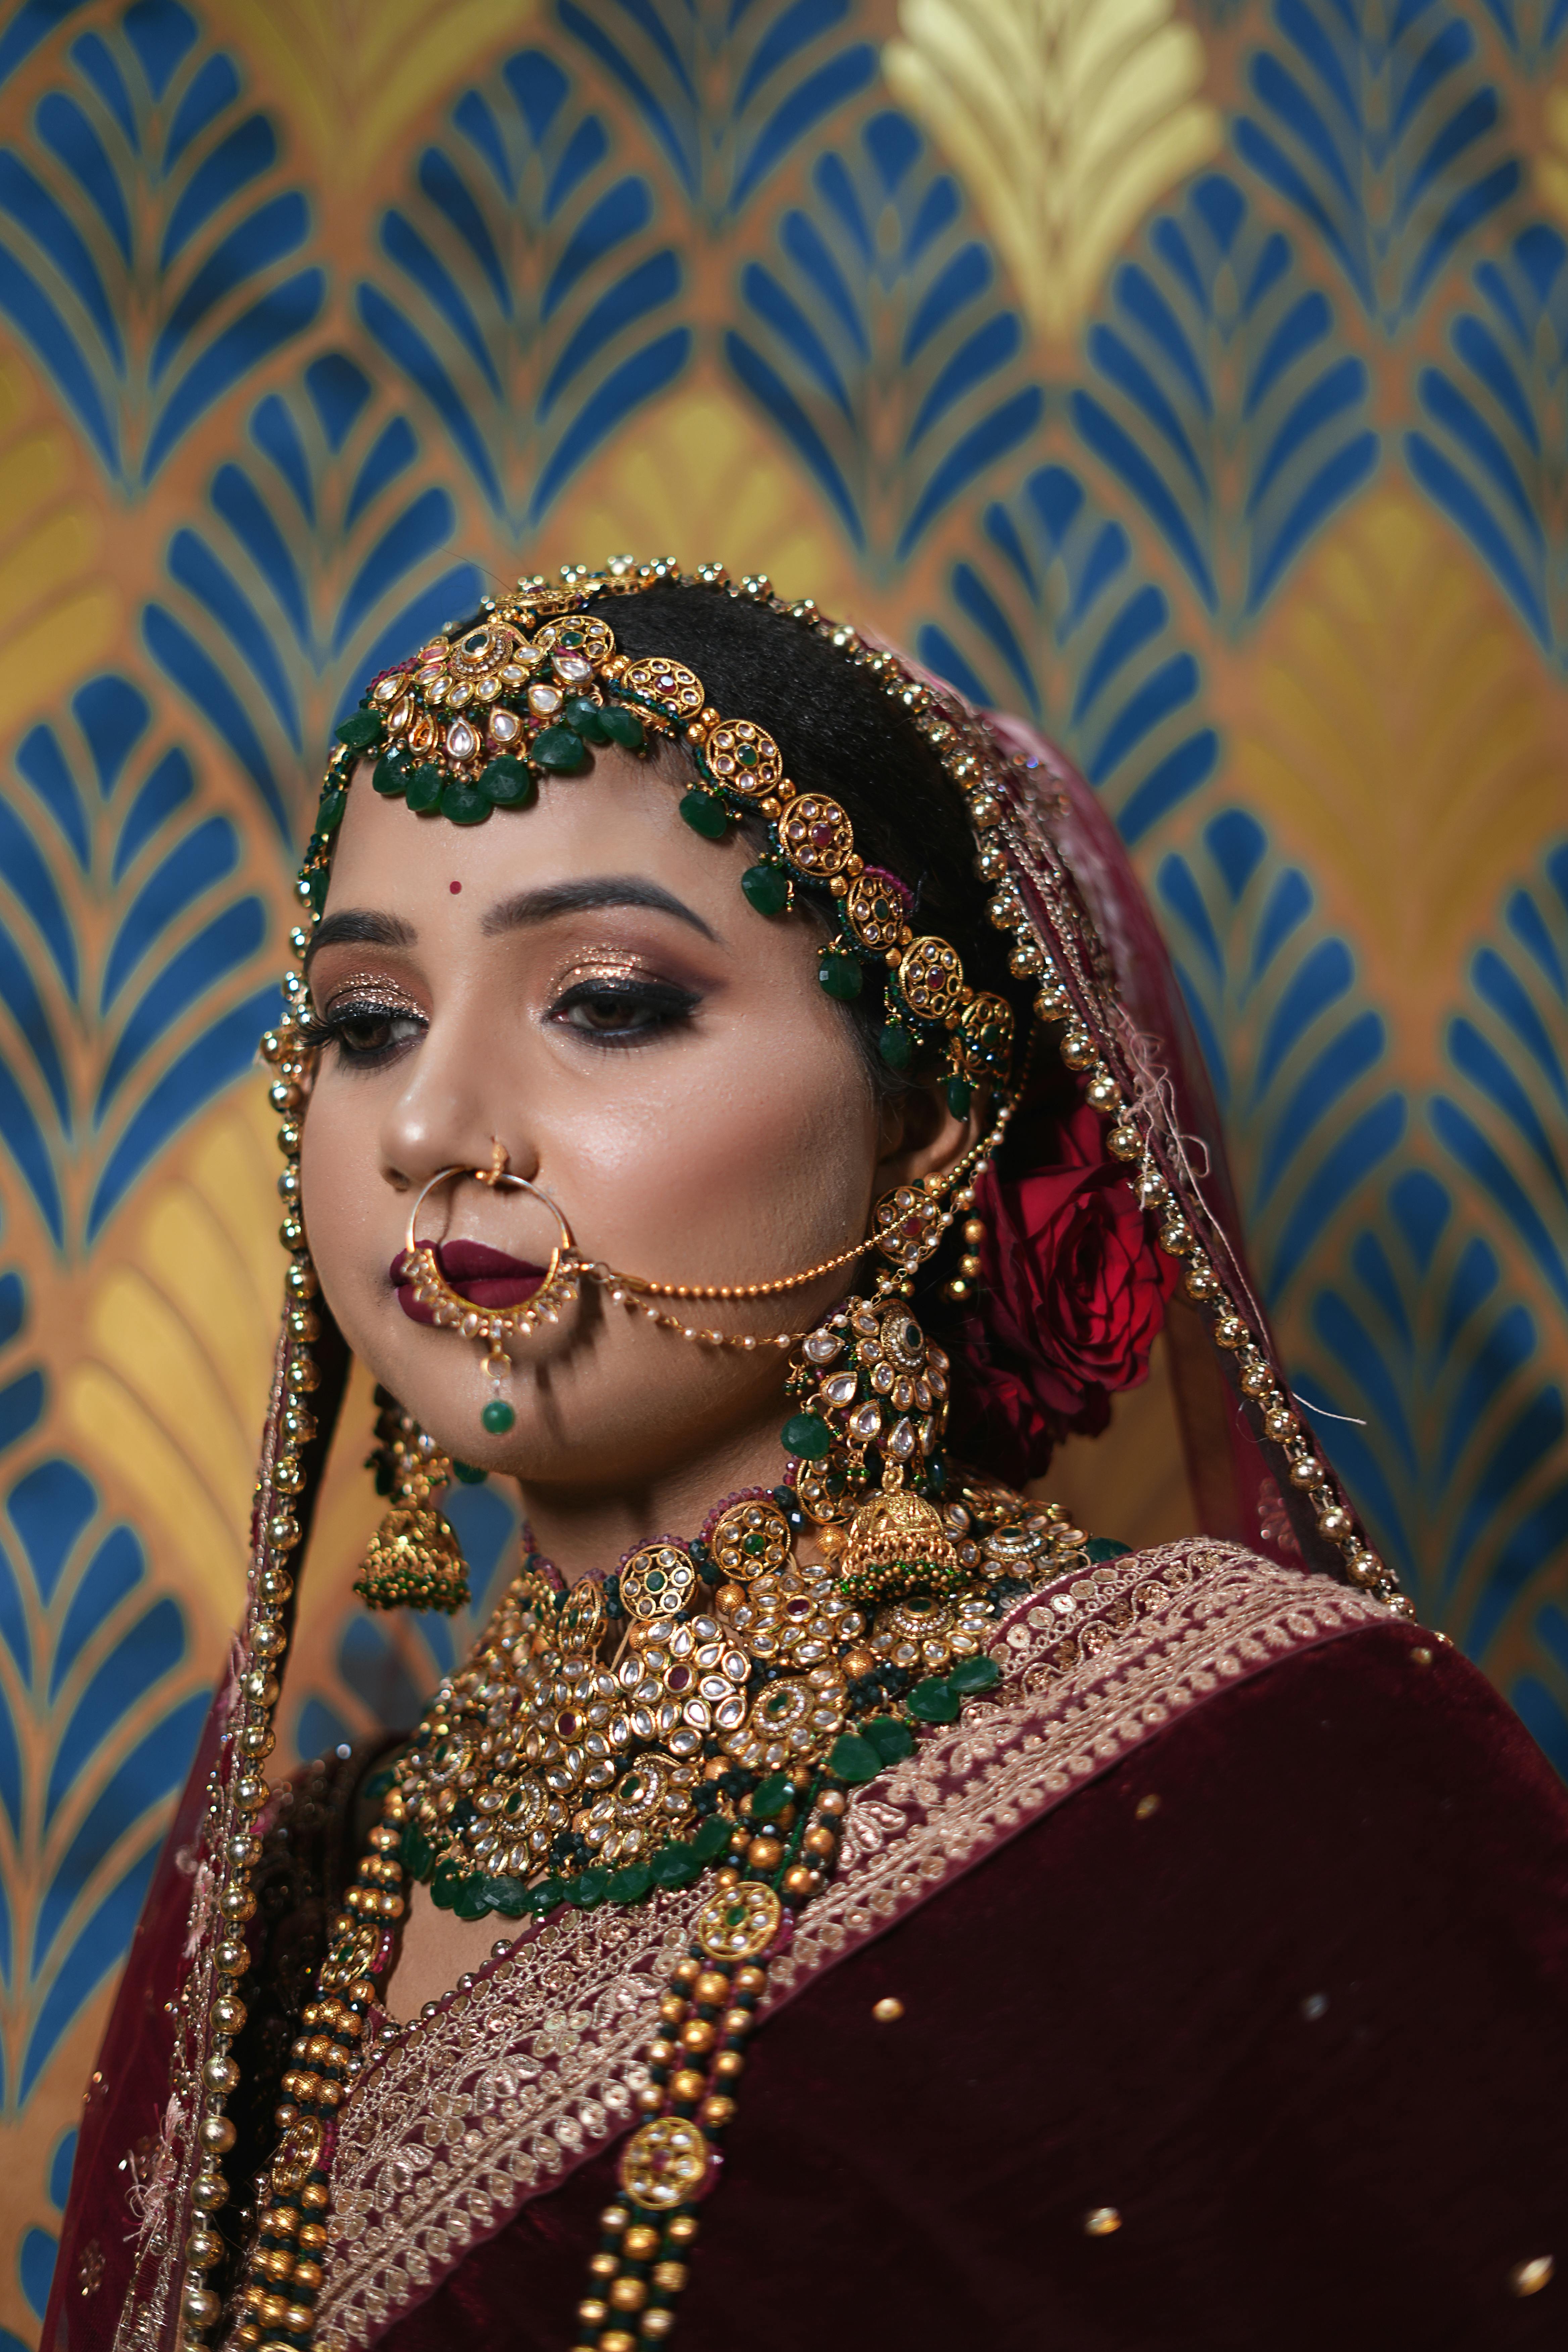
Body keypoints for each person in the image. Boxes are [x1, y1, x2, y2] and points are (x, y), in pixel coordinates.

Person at [48, 563, 1568, 2352]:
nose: (430, 1126)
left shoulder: (1262, 1758)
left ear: (923, 1122)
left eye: (608, 1000)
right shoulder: (282, 1904)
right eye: (365, 1024)